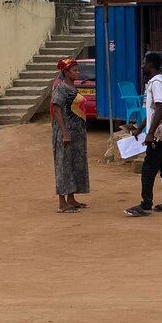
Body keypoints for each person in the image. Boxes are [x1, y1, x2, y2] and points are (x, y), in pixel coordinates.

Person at [125, 52, 162, 217]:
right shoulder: (159, 82)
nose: (142, 66)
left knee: (148, 169)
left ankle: (146, 205)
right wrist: (140, 128)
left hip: (159, 135)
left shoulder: (155, 84)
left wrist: (150, 133)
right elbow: (154, 110)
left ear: (151, 66)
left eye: (144, 63)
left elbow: (159, 108)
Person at [51, 58, 90, 214]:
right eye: (74, 70)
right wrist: (65, 132)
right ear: (65, 72)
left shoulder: (72, 87)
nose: (78, 72)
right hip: (65, 134)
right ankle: (62, 203)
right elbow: (57, 110)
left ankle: (71, 199)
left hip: (77, 134)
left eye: (78, 70)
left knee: (75, 164)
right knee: (64, 166)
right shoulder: (61, 88)